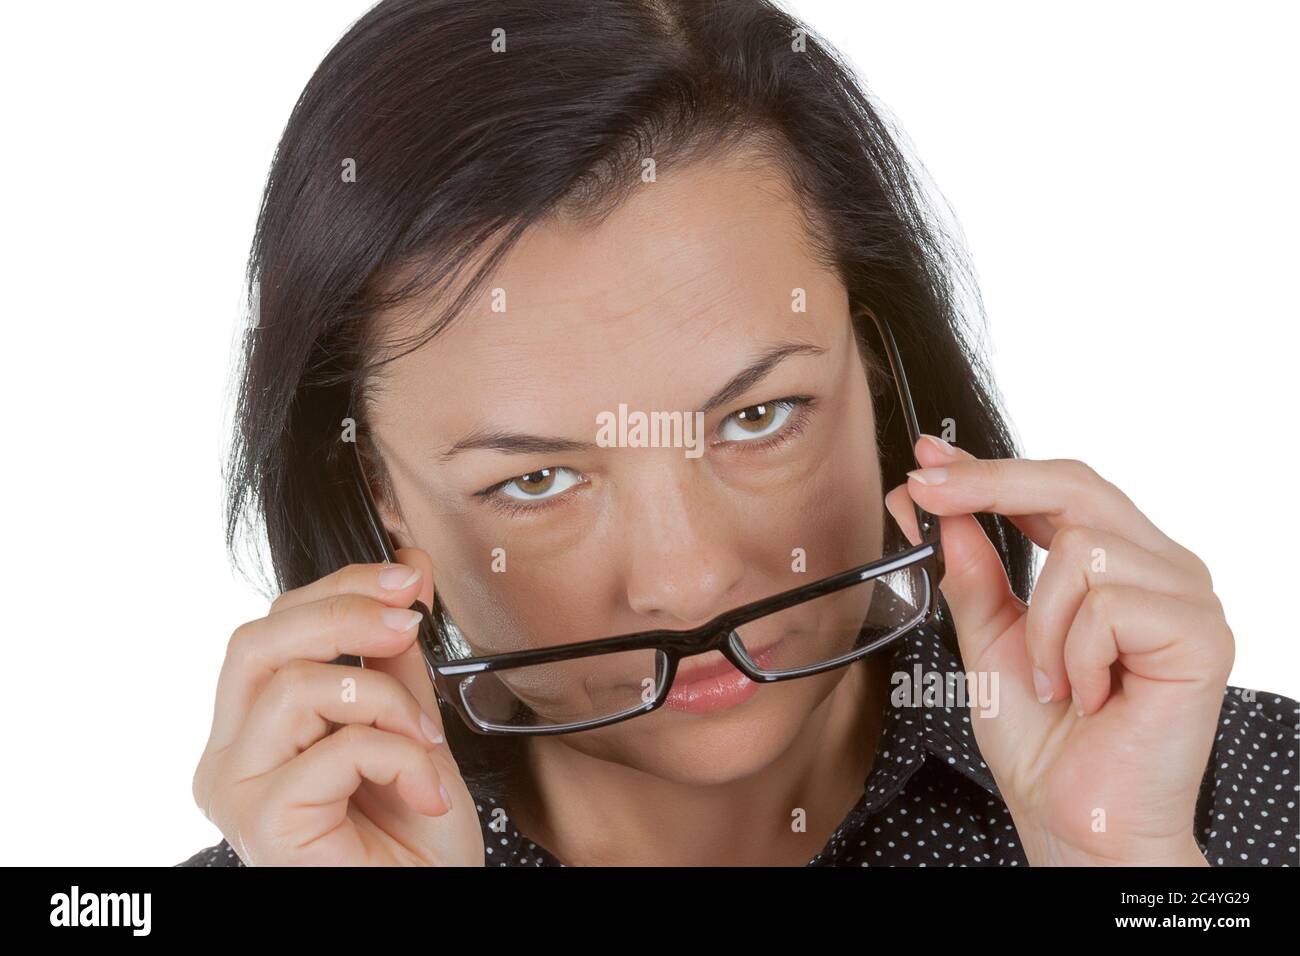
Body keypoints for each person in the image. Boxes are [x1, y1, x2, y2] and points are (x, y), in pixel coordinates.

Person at [180, 0, 1298, 867]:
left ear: (876, 363)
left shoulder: (1240, 794)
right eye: (536, 478)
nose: (689, 577)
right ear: (379, 487)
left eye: (758, 417)